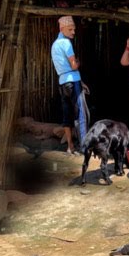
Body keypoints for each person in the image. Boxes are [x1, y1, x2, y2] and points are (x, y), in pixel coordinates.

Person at [52, 15, 86, 153]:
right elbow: (73, 66)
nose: (73, 32)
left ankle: (70, 146)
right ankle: (84, 146)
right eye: (70, 29)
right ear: (62, 28)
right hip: (72, 80)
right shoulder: (66, 43)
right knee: (81, 113)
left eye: (74, 29)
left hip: (62, 83)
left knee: (67, 114)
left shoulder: (54, 45)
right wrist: (78, 62)